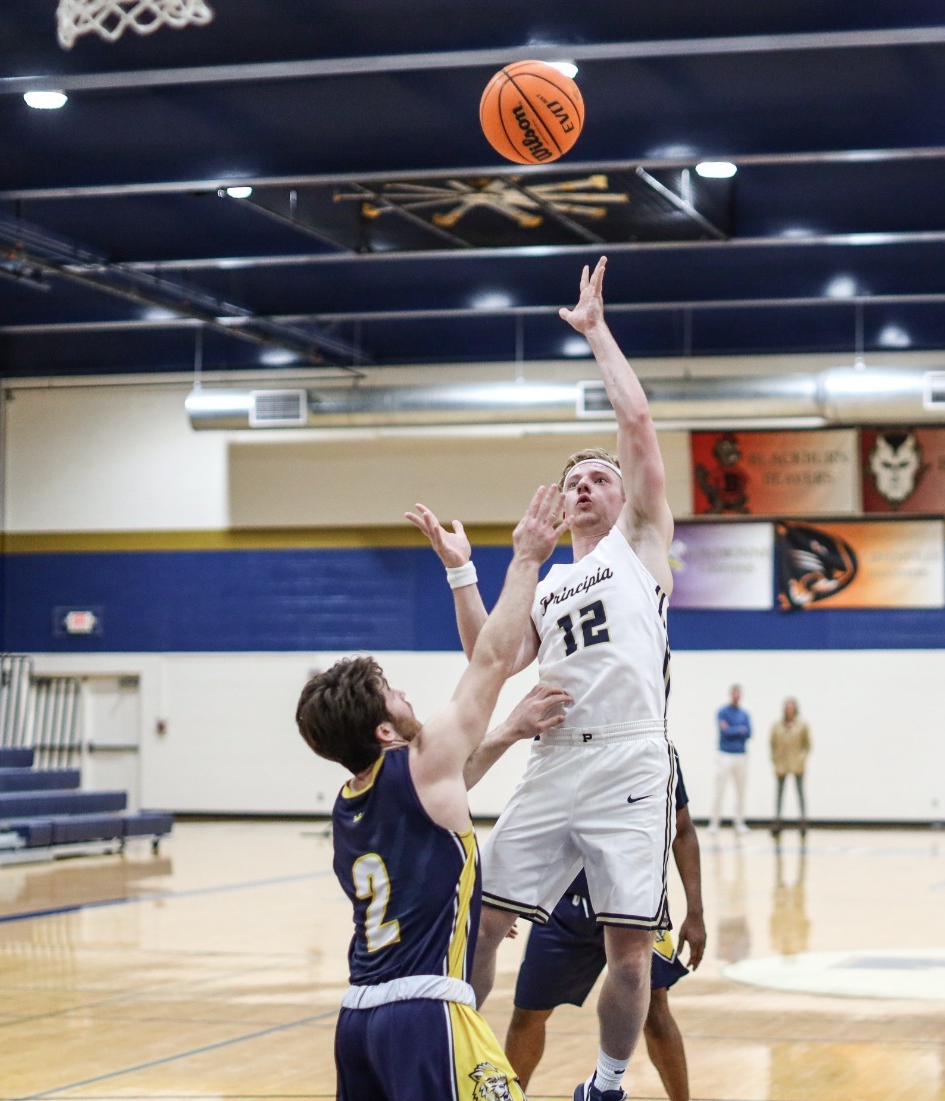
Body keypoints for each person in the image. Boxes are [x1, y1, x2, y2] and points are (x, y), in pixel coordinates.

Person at [405, 257, 677, 1101]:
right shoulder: (551, 583)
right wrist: (461, 573)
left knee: (628, 946)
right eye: (574, 481)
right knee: (485, 917)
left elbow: (635, 418)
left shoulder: (641, 547)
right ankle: (465, 1060)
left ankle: (604, 1082)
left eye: (599, 476)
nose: (587, 485)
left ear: (624, 495)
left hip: (631, 759)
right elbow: (490, 654)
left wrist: (595, 331)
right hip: (556, 758)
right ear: (558, 508)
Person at [301, 486, 563, 1101]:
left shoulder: (354, 797)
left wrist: (509, 732)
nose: (402, 692)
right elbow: (494, 659)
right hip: (425, 1014)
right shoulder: (420, 759)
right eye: (389, 689)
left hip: (358, 1019)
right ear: (384, 730)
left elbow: (444, 793)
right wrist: (525, 558)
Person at [499, 747, 706, 1101]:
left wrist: (696, 911)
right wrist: (507, 899)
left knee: (655, 1010)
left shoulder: (657, 750)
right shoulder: (564, 743)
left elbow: (682, 830)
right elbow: (532, 827)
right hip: (566, 907)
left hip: (636, 905)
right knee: (527, 1013)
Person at [711, 685, 750, 835]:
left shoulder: (745, 714)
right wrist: (739, 730)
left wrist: (733, 729)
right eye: (734, 694)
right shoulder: (722, 712)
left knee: (740, 790)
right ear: (730, 695)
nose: (736, 696)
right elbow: (724, 731)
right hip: (724, 755)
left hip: (741, 755)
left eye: (738, 694)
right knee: (719, 789)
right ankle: (714, 822)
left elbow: (749, 732)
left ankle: (739, 822)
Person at [769, 697, 810, 836]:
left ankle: (803, 821)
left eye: (791, 708)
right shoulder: (777, 725)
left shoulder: (802, 725)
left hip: (797, 764)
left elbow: (807, 745)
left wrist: (801, 758)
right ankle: (778, 820)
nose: (789, 710)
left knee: (800, 792)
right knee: (779, 793)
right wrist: (775, 759)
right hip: (782, 763)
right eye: (787, 708)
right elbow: (772, 743)